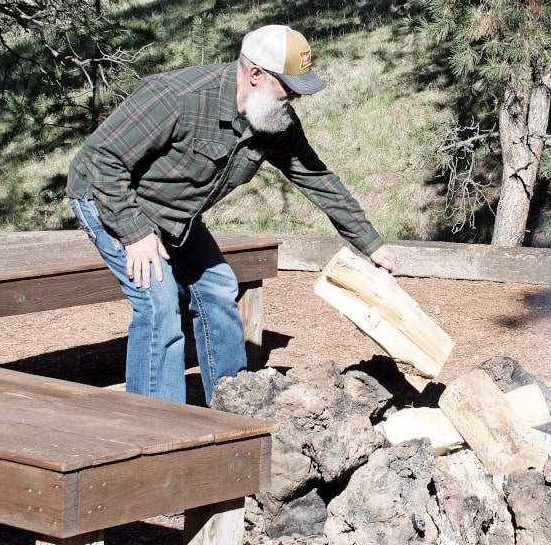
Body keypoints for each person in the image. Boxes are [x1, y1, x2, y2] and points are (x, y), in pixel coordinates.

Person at [66, 24, 398, 405]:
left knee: (219, 288)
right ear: (255, 74)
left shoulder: (272, 119)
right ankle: (157, 425)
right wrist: (135, 233)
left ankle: (234, 405)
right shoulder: (179, 97)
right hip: (110, 198)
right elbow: (100, 159)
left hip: (175, 213)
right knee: (158, 304)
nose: (293, 98)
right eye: (288, 87)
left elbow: (317, 178)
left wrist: (371, 245)